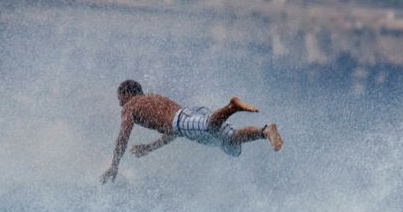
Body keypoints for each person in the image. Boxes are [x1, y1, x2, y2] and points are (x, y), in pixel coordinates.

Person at [100, 79, 282, 184]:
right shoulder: (153, 99)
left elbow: (122, 136)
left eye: (119, 98)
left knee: (210, 126)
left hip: (183, 120)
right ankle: (265, 131)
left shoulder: (130, 106)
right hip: (190, 114)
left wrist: (115, 164)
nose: (119, 104)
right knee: (231, 141)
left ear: (126, 94)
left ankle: (232, 107)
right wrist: (150, 147)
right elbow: (175, 130)